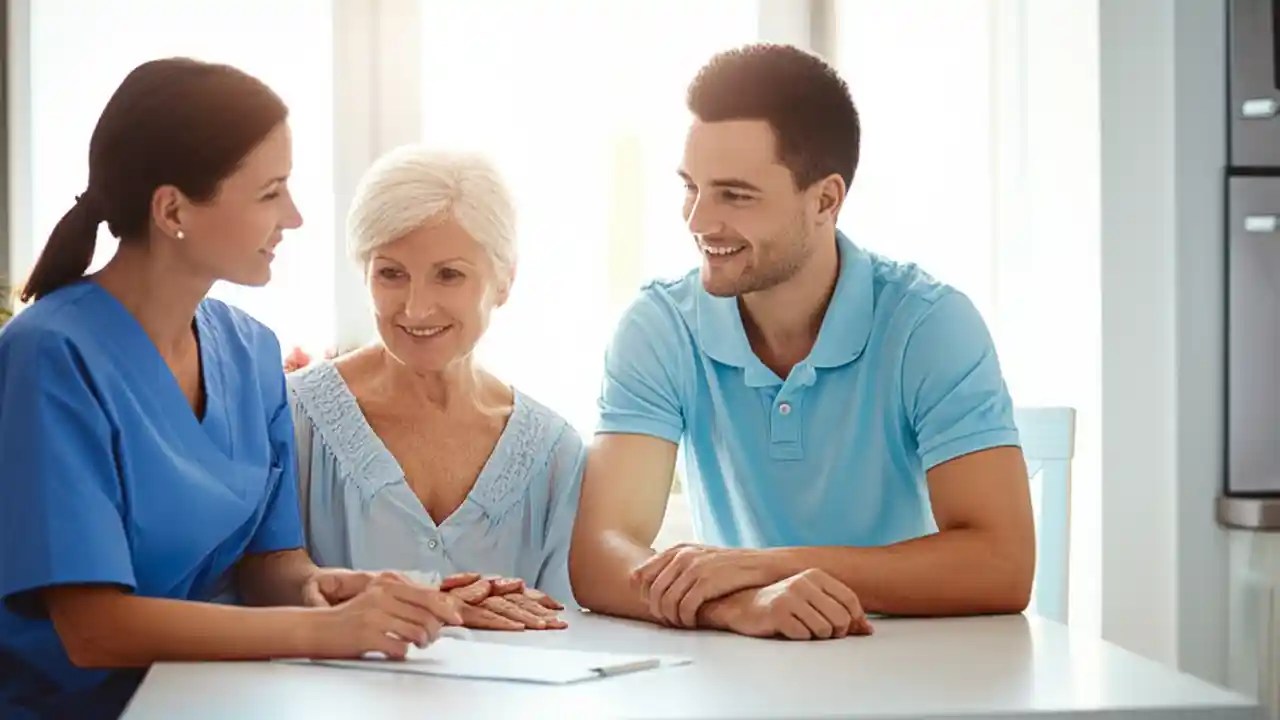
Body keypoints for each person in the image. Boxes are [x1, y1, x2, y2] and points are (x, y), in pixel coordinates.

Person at [0, 59, 463, 720]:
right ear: (172, 209)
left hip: (218, 699)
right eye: (271, 192)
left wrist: (353, 593)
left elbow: (272, 568)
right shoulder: (50, 355)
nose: (296, 217)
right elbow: (93, 629)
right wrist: (331, 632)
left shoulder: (250, 351)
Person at [569, 43, 1035, 640]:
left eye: (734, 195)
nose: (698, 220)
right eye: (692, 187)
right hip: (744, 663)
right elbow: (601, 553)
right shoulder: (659, 325)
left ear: (825, 200)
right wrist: (738, 606)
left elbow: (1002, 566)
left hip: (913, 660)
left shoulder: (929, 325)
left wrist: (771, 566)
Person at [286, 145, 582, 630]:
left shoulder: (555, 454)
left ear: (505, 280)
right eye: (391, 274)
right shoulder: (294, 417)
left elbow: (564, 631)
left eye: (449, 275)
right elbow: (261, 592)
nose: (417, 308)